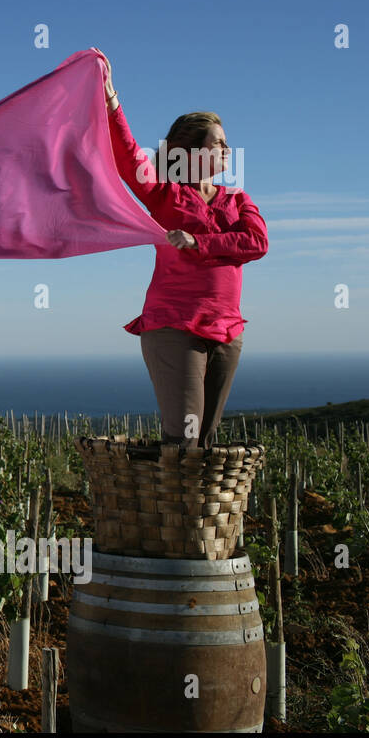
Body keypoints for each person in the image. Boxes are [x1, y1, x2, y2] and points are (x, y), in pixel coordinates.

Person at [93, 48, 268, 449]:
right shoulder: (165, 195)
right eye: (218, 143)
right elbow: (128, 155)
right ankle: (163, 492)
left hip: (227, 329)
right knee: (184, 442)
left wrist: (198, 242)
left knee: (204, 442)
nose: (227, 149)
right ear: (191, 152)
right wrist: (111, 98)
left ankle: (185, 494)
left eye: (227, 143)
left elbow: (257, 242)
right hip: (175, 326)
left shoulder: (237, 199)